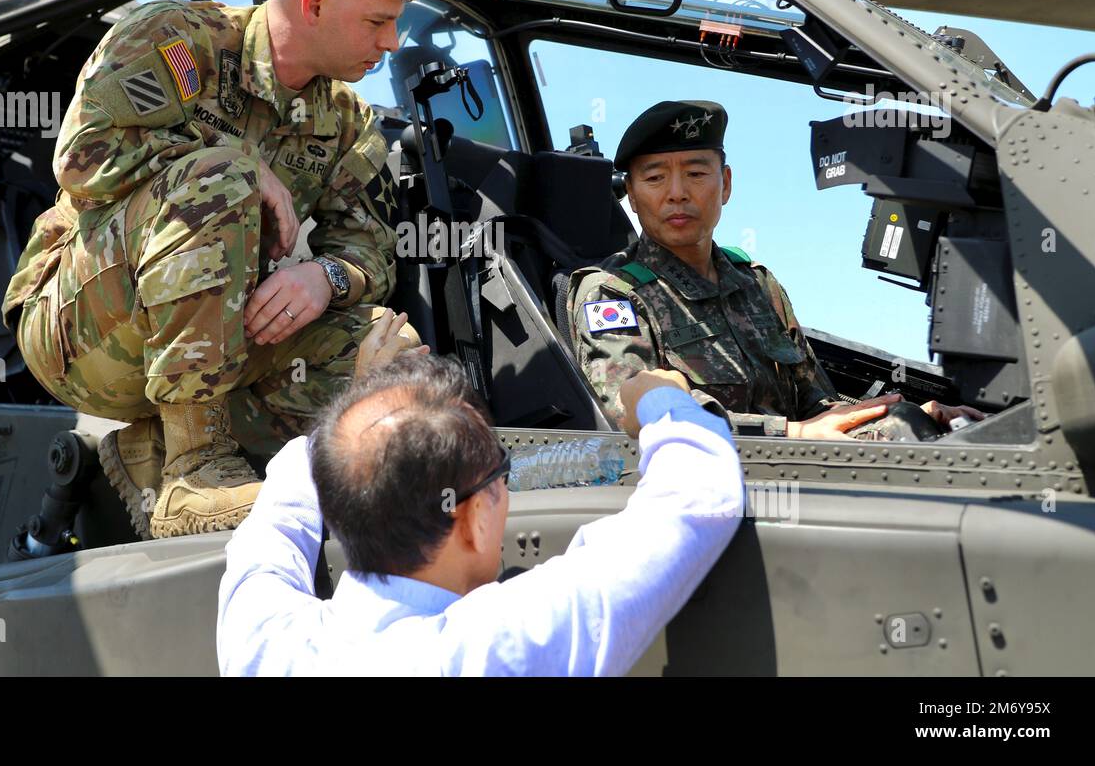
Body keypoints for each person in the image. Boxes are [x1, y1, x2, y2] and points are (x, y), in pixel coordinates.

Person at [2, 0, 422, 538]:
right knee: (217, 181)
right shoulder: (175, 42)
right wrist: (239, 165)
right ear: (313, 4)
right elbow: (83, 164)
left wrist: (327, 279)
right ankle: (194, 474)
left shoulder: (346, 120)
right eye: (377, 21)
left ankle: (160, 455)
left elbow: (370, 247)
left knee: (387, 349)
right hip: (83, 329)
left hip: (217, 339)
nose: (390, 43)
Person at [216, 311, 743, 676]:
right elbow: (694, 502)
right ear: (469, 517)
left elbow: (276, 525)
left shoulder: (264, 643)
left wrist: (370, 399)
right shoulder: (498, 649)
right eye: (501, 475)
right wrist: (660, 400)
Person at [567, 99, 985, 441]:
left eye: (696, 174)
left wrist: (890, 414)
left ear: (725, 184)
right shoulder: (614, 293)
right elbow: (634, 412)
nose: (677, 194)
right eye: (655, 178)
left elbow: (815, 406)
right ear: (633, 198)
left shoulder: (755, 282)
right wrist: (789, 433)